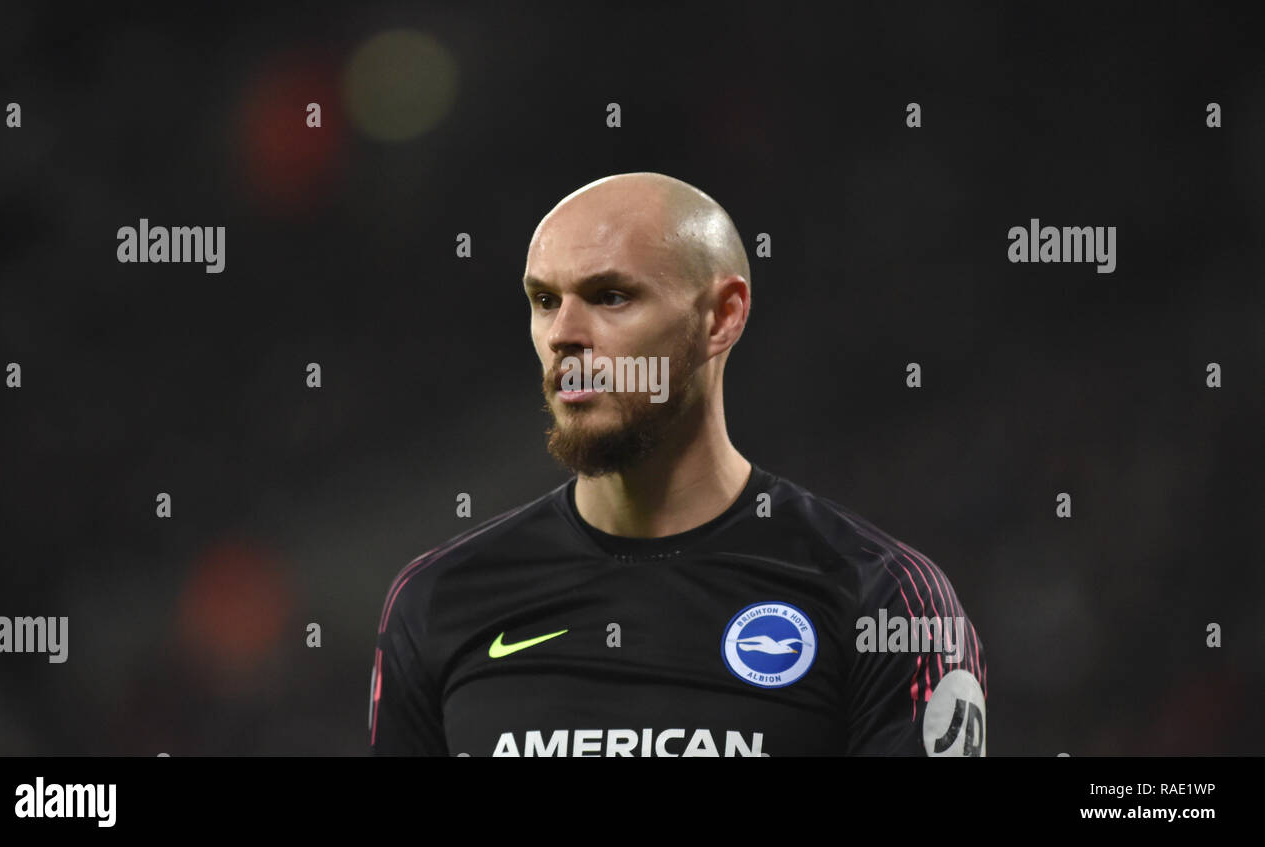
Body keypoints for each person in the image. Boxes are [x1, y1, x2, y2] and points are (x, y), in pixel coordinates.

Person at [370, 172, 987, 756]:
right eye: (544, 300)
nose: (564, 333)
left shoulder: (884, 600)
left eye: (611, 296)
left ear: (723, 316)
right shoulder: (439, 600)